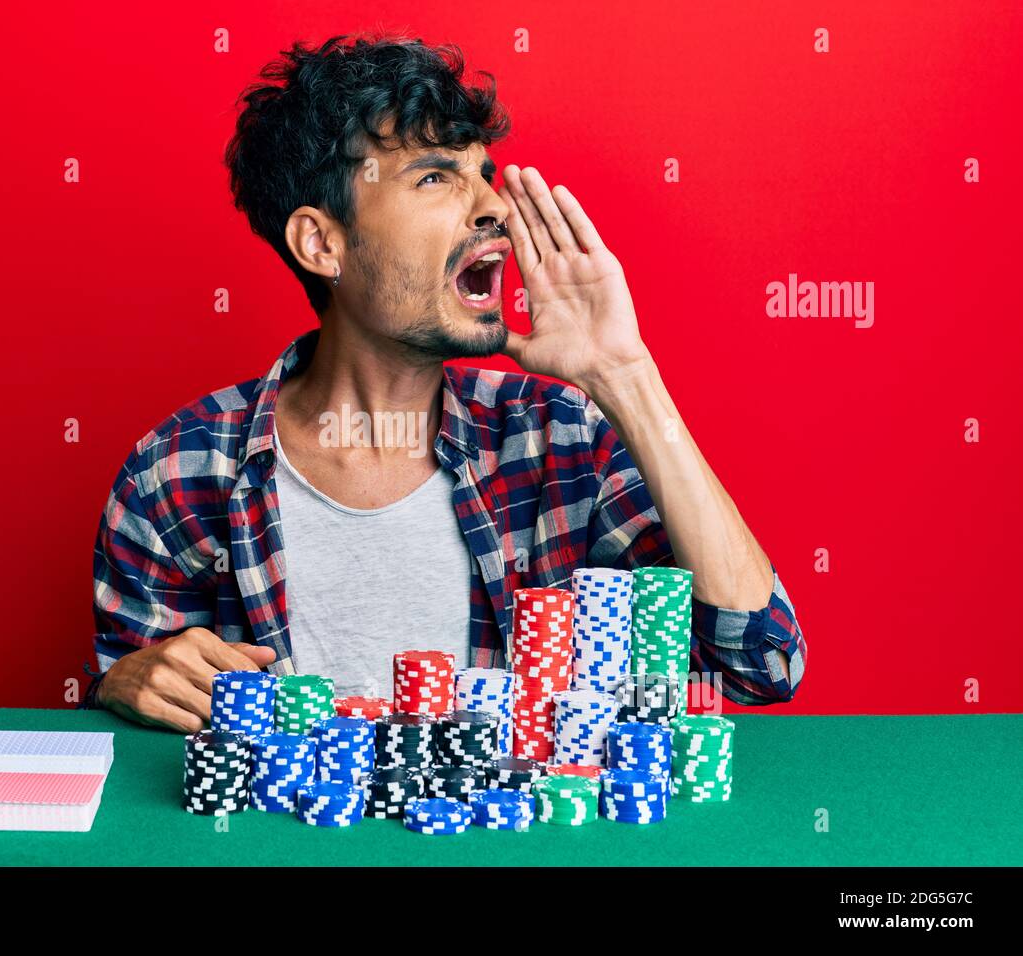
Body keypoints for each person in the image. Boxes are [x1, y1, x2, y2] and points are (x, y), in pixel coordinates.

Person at [86, 34, 806, 730]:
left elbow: (759, 664)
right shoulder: (177, 472)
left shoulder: (560, 439)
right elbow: (141, 737)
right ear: (321, 243)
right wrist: (123, 685)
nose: (492, 206)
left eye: (482, 174)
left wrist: (624, 375)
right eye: (436, 176)